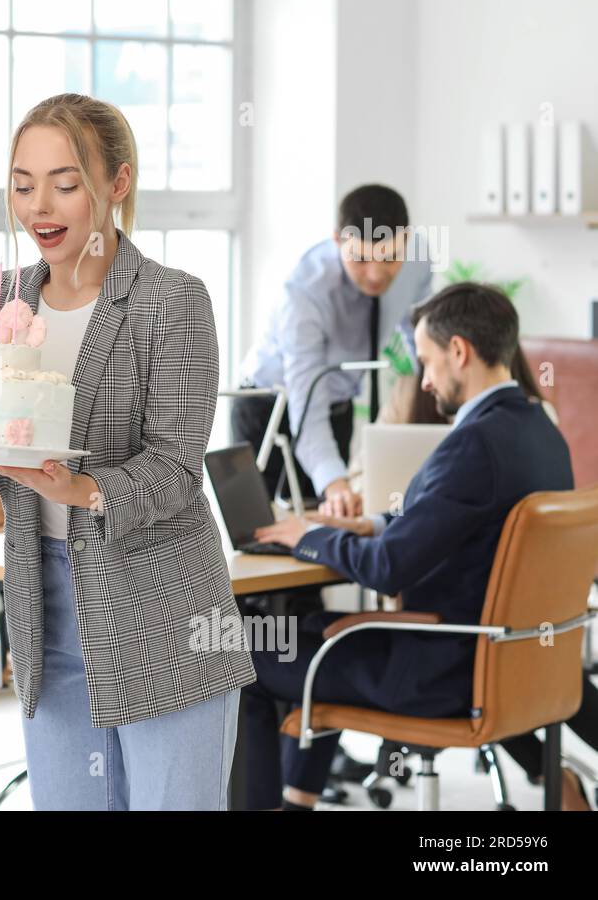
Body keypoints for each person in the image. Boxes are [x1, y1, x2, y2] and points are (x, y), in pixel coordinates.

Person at [0, 93, 255, 810]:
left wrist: (79, 489)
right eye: (23, 184)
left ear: (116, 185)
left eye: (64, 182)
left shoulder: (171, 301)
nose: (39, 205)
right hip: (45, 610)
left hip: (162, 615)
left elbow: (177, 468)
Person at [245, 282, 574, 810]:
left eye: (426, 360)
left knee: (242, 650)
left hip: (438, 671)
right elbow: (457, 520)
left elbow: (386, 570)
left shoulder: (474, 444)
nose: (423, 379)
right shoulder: (540, 431)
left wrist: (311, 536)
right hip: (510, 662)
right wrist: (374, 523)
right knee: (305, 632)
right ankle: (298, 803)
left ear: (458, 352)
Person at [235, 184, 433, 517]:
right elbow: (307, 400)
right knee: (268, 534)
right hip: (271, 407)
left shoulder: (419, 260)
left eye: (389, 258)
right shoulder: (305, 293)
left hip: (338, 405)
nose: (375, 275)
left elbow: (420, 334)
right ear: (338, 240)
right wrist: (334, 484)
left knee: (337, 521)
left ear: (407, 240)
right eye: (361, 259)